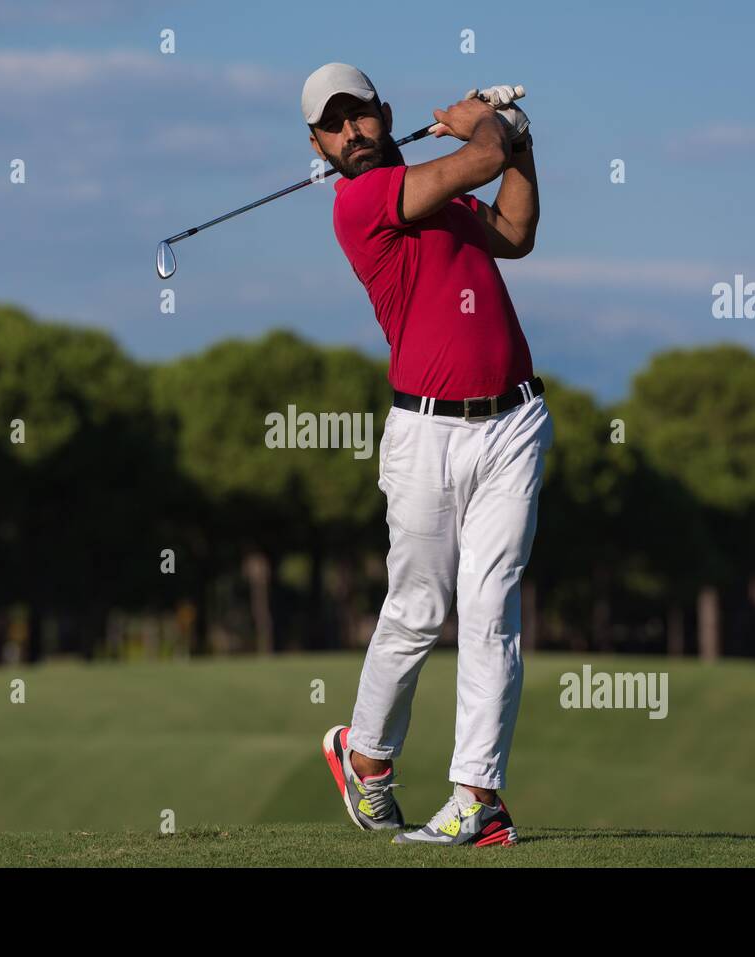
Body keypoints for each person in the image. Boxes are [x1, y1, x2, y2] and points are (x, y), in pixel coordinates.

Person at [306, 63, 553, 847]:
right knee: (417, 610)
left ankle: (477, 798)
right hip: (425, 433)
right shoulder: (362, 201)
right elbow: (480, 158)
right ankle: (368, 759)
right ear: (318, 143)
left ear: (383, 115)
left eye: (360, 115)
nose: (351, 132)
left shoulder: (435, 194)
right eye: (333, 124)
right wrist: (486, 122)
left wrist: (520, 144)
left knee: (490, 613)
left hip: (513, 421)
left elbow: (516, 233)